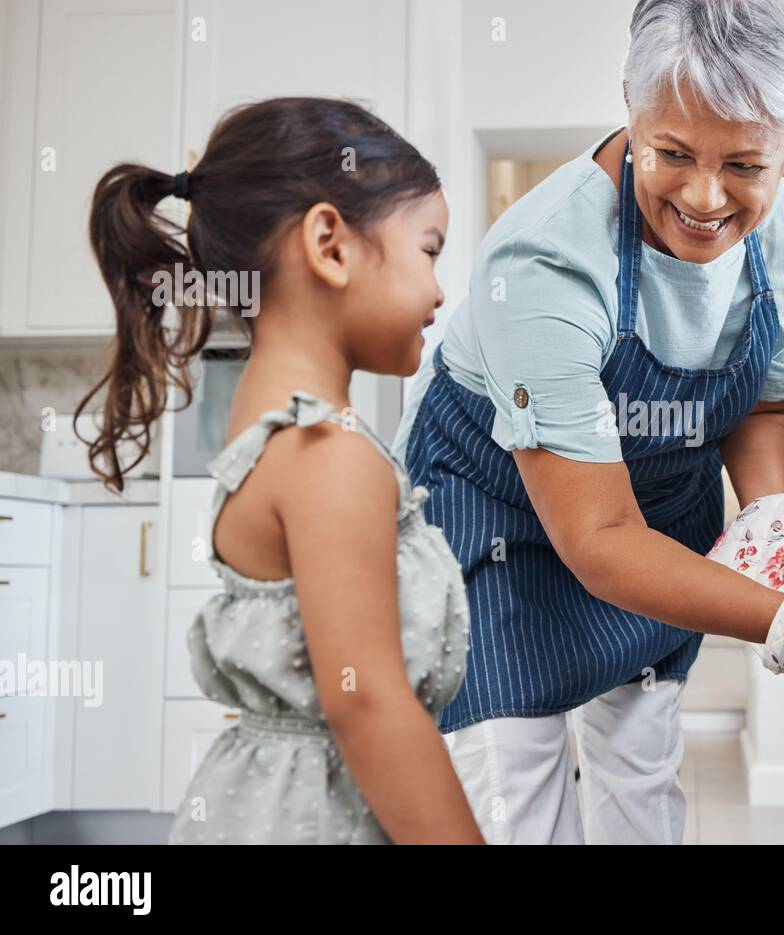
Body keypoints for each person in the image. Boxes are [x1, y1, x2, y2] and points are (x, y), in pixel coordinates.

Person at [394, 0, 784, 844]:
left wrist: (778, 541)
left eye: (746, 163)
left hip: (657, 514)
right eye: (671, 152)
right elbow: (598, 535)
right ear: (629, 105)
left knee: (639, 771)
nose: (705, 198)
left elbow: (767, 404)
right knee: (514, 784)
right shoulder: (547, 263)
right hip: (497, 521)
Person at [79, 97, 483, 844]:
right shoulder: (329, 455)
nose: (439, 290)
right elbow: (368, 705)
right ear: (330, 243)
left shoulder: (270, 428)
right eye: (429, 250)